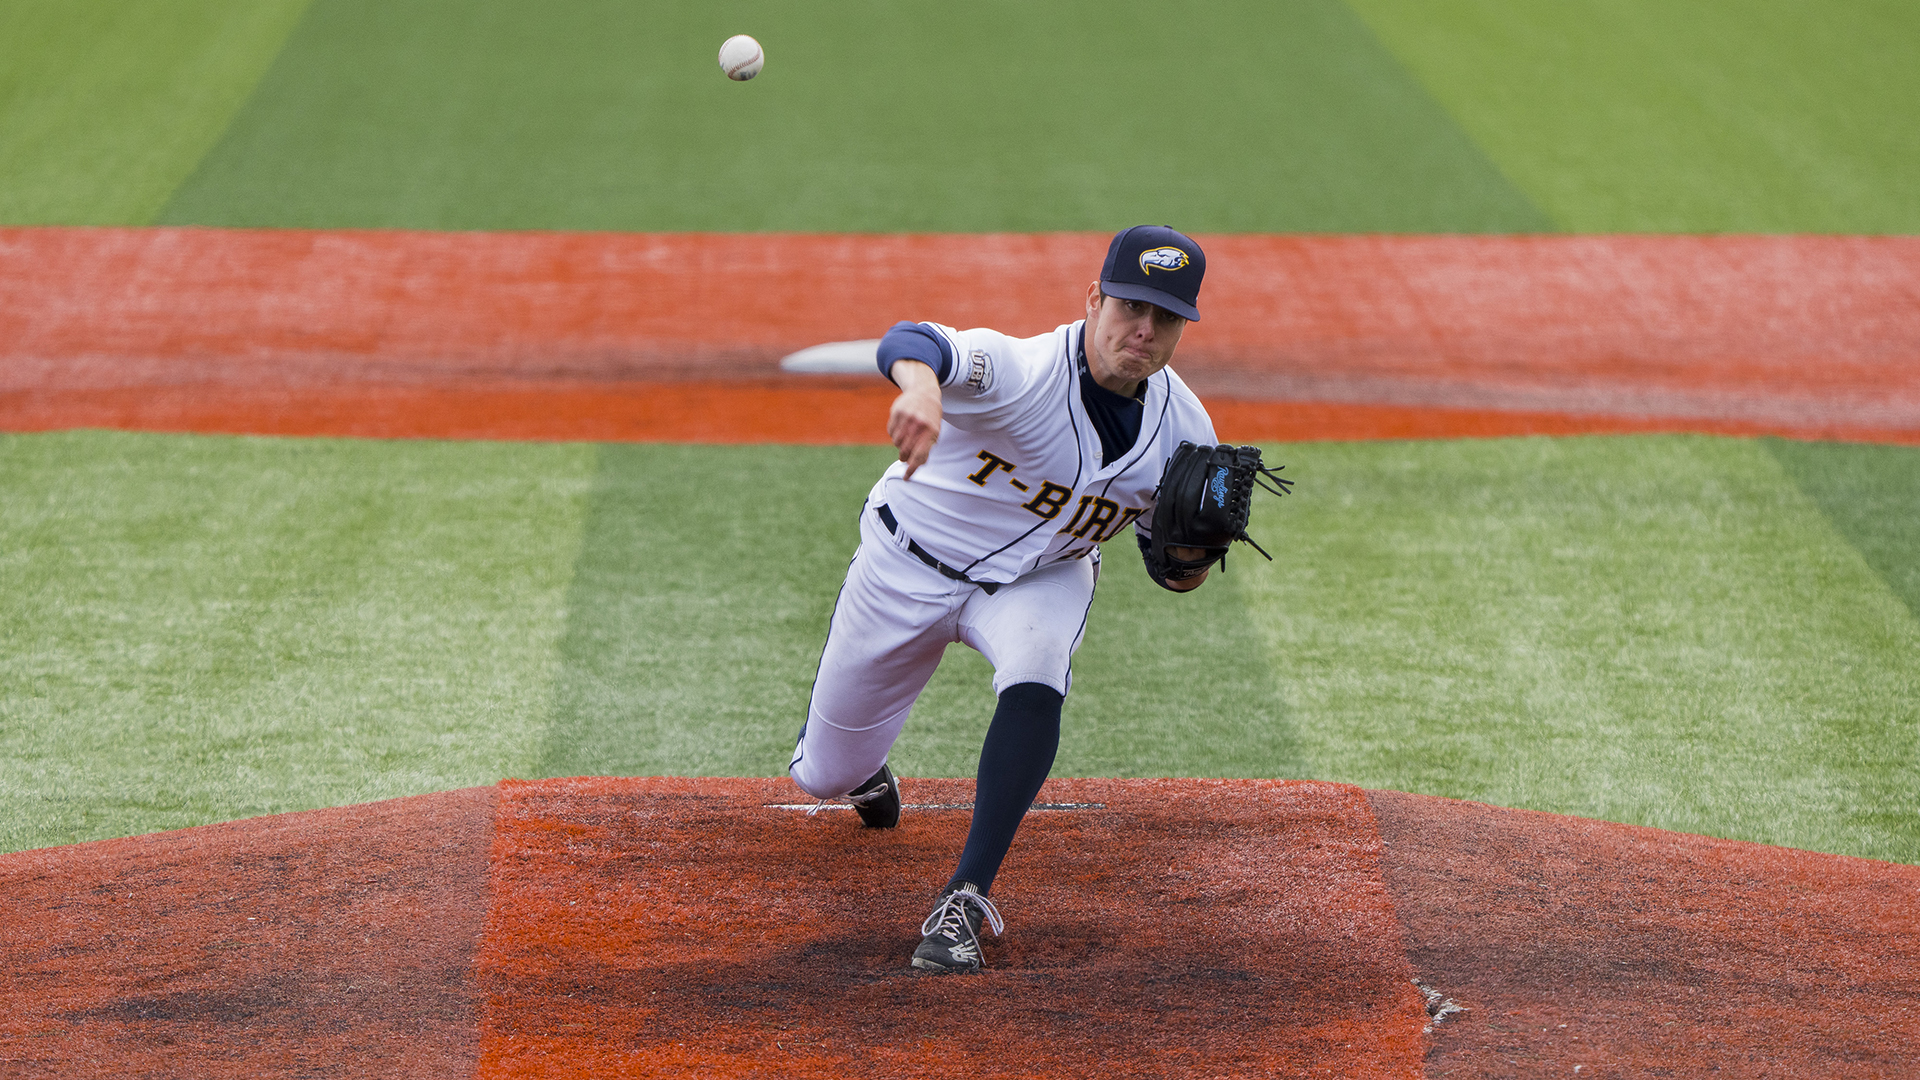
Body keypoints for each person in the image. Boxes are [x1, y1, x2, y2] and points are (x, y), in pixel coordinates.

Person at [788, 225, 1221, 973]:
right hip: (907, 566)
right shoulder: (1020, 370)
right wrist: (923, 390)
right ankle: (864, 770)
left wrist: (1187, 565)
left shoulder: (1185, 430)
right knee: (822, 775)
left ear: (1183, 326)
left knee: (1038, 673)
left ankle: (965, 897)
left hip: (1041, 577)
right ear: (1094, 299)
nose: (1143, 330)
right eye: (1128, 307)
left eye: (1166, 318)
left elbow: (1175, 568)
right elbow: (915, 339)